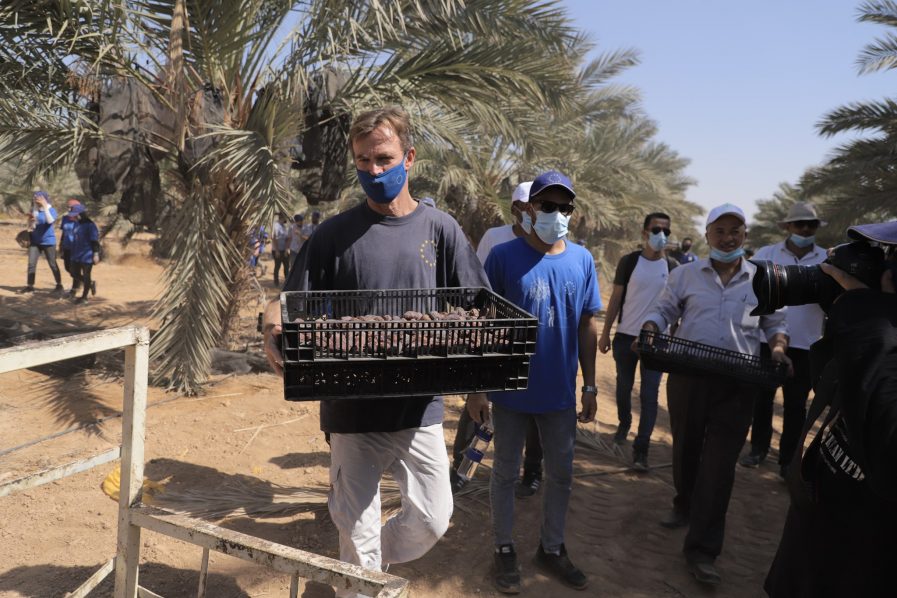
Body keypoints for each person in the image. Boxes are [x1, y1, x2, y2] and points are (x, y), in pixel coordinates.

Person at [262, 105, 487, 594]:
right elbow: (291, 303)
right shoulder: (332, 235)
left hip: (419, 405)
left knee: (433, 519)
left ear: (408, 157)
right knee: (355, 529)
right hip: (351, 410)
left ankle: (364, 563)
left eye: (383, 158)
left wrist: (478, 387)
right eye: (363, 161)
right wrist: (271, 319)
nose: (374, 170)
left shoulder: (440, 230)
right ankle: (358, 572)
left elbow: (477, 307)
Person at [640, 203, 790, 587]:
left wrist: (777, 349)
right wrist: (653, 328)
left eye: (735, 231)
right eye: (720, 231)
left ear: (745, 236)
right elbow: (664, 309)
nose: (728, 238)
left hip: (738, 382)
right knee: (686, 449)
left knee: (720, 466)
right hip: (689, 375)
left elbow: (776, 324)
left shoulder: (764, 279)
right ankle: (684, 503)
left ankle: (703, 551)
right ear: (707, 236)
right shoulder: (686, 274)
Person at [466, 170, 601, 594]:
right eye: (547, 205)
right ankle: (504, 548)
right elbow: (484, 325)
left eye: (564, 207)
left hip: (559, 395)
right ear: (528, 208)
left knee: (561, 474)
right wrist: (477, 386)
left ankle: (552, 547)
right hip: (509, 391)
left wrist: (591, 385)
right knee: (504, 473)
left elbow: (586, 325)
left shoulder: (582, 260)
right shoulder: (503, 257)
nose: (556, 213)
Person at [765, 220, 897, 598]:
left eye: (894, 257)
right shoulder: (879, 342)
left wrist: (869, 322)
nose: (884, 271)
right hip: (812, 561)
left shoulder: (878, 339)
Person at [451, 180, 545, 498]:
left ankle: (532, 470)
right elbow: (477, 283)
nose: (527, 213)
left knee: (533, 407)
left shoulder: (547, 242)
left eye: (533, 207)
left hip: (531, 339)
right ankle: (460, 465)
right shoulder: (495, 238)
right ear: (515, 209)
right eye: (522, 208)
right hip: (494, 334)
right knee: (478, 400)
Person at [740, 202, 827, 477]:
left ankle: (788, 461)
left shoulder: (828, 259)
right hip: (767, 342)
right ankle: (758, 450)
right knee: (762, 399)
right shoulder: (767, 254)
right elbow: (748, 295)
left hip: (807, 345)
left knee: (796, 405)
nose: (804, 229)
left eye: (810, 224)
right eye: (799, 224)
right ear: (787, 227)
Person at [599, 212, 676, 470]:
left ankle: (641, 448)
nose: (661, 235)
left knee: (650, 394)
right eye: (656, 230)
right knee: (623, 386)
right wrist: (606, 331)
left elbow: (677, 307)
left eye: (666, 230)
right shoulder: (629, 262)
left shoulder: (674, 268)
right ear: (644, 233)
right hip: (625, 337)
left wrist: (674, 338)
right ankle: (623, 423)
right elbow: (616, 299)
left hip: (656, 342)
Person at [20, 190, 63, 294]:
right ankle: (30, 286)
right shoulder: (34, 210)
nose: (36, 200)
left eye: (38, 198)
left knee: (52, 264)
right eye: (35, 198)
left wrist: (44, 206)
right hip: (35, 241)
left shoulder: (51, 210)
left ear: (44, 198)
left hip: (48, 242)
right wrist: (31, 222)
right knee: (31, 263)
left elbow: (50, 221)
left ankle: (59, 285)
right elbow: (32, 226)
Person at [67, 204, 100, 304]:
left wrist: (96, 254)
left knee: (86, 275)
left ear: (81, 214)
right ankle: (90, 284)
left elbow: (94, 241)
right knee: (73, 273)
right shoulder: (76, 223)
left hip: (87, 254)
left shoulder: (90, 225)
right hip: (76, 254)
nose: (74, 216)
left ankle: (84, 297)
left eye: (75, 214)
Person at [59, 198, 81, 296]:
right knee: (68, 268)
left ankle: (74, 289)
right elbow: (64, 232)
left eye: (70, 207)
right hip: (67, 246)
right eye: (67, 207)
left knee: (75, 269)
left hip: (77, 248)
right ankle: (86, 280)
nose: (68, 209)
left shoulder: (81, 220)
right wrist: (61, 245)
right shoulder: (65, 218)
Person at [271, 213, 291, 286]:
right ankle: (276, 282)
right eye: (284, 218)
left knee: (286, 266)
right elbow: (274, 238)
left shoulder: (284, 227)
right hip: (277, 250)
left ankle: (287, 282)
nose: (285, 220)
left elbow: (287, 239)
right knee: (277, 266)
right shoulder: (276, 226)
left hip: (284, 250)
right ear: (281, 218)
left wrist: (286, 249)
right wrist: (277, 250)